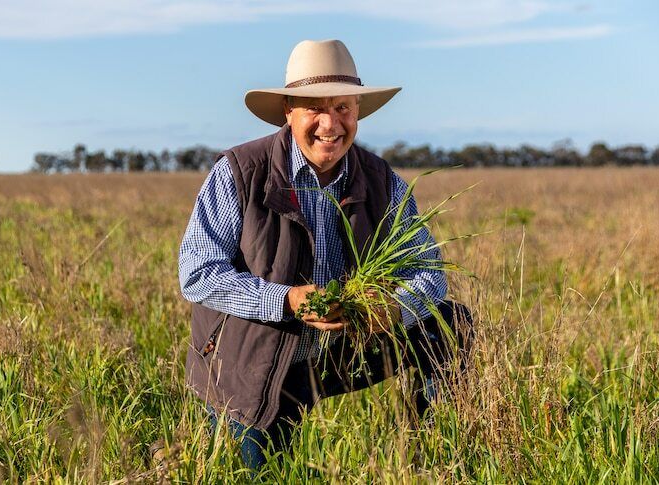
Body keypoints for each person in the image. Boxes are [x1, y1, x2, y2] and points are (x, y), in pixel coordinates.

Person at [173, 39, 472, 470]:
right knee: (262, 473)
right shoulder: (240, 172)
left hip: (342, 350)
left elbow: (429, 273)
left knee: (450, 322)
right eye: (315, 108)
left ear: (357, 112)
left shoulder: (381, 180)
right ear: (288, 112)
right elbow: (199, 273)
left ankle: (429, 457)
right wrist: (288, 300)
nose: (330, 124)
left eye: (343, 108)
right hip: (254, 362)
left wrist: (389, 308)